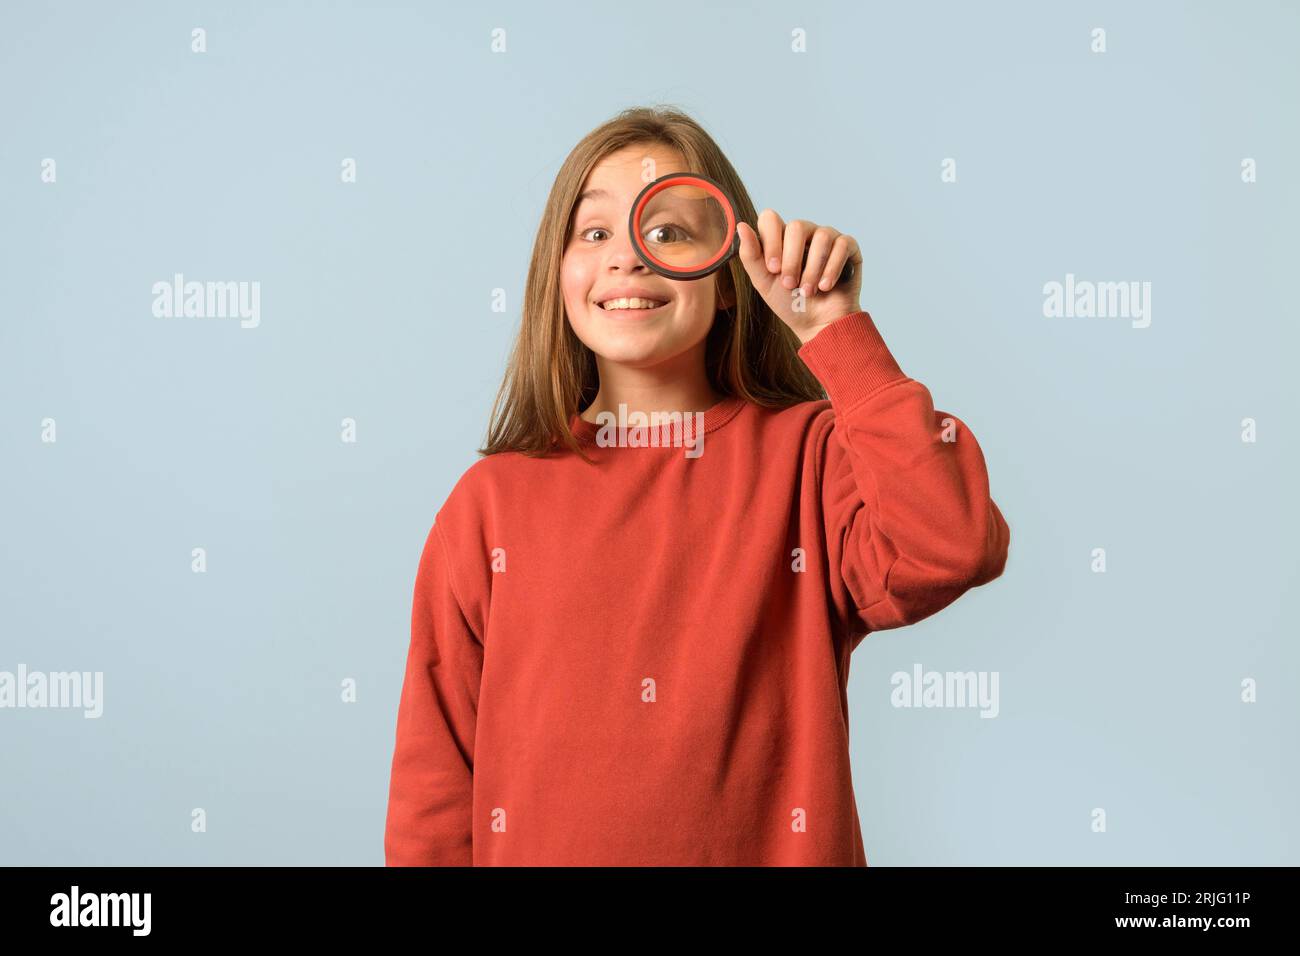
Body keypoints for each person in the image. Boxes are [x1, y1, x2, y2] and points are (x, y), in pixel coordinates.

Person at [384, 106, 1010, 866]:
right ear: (558, 273)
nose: (629, 258)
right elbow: (434, 782)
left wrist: (835, 333)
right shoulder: (488, 505)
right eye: (594, 233)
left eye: (670, 232)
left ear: (729, 281)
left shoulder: (811, 459)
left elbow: (950, 545)